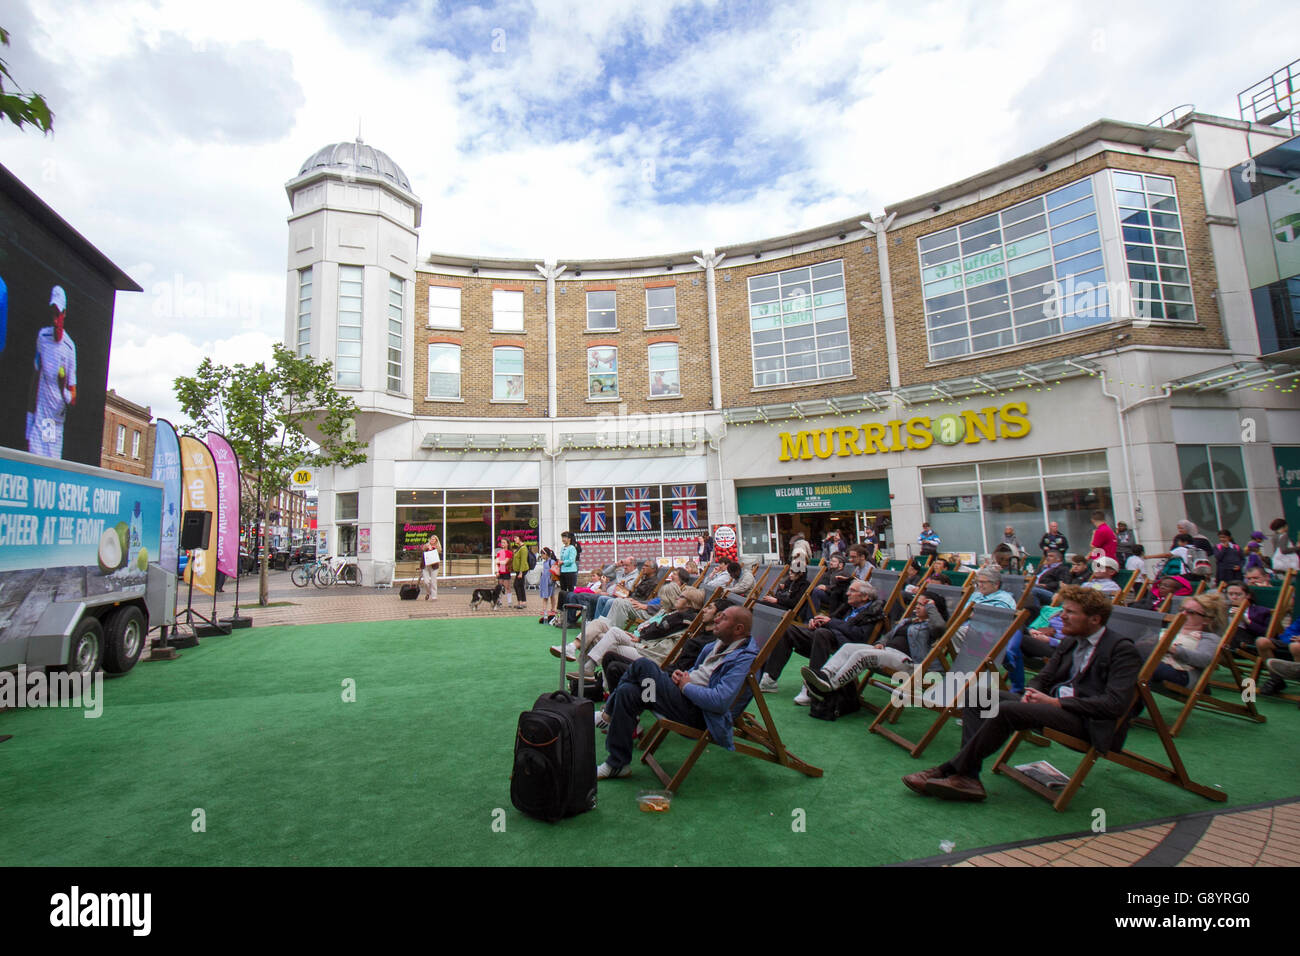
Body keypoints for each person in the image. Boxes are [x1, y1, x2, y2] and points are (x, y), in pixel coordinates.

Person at [901, 586, 1142, 802]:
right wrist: (1033, 691)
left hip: (1088, 721)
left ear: (1095, 619)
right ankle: (967, 776)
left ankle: (949, 770)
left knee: (1007, 709)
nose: (1061, 616)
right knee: (977, 695)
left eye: (1070, 612)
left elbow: (1115, 704)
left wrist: (1056, 703)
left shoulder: (1121, 650)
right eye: (1063, 610)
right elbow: (1044, 677)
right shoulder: (1072, 642)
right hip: (1052, 707)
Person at [594, 604, 757, 780]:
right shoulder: (719, 644)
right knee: (628, 692)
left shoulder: (743, 660)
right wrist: (683, 676)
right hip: (679, 699)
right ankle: (617, 764)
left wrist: (686, 686)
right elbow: (698, 670)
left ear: (739, 629)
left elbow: (720, 702)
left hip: (697, 715)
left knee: (643, 665)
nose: (716, 619)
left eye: (723, 617)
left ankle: (608, 715)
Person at [759, 579, 884, 704]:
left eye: (852, 591)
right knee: (789, 630)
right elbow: (833, 621)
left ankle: (811, 687)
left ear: (865, 596)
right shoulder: (849, 608)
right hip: (830, 637)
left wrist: (829, 623)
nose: (847, 594)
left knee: (822, 633)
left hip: (848, 645)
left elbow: (859, 636)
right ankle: (770, 678)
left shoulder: (872, 612)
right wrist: (819, 622)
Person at [27, 285, 77, 460]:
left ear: (64, 314)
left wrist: (63, 389)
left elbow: (73, 396)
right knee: (32, 466)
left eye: (59, 314)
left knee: (48, 473)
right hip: (39, 420)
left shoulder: (70, 348)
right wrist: (29, 419)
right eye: (53, 314)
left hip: (55, 424)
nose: (56, 320)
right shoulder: (42, 337)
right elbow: (35, 376)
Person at [1138, 592, 1225, 690]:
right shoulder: (1170, 630)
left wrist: (1173, 649)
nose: (1183, 614)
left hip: (1181, 673)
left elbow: (1204, 659)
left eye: (1190, 612)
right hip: (1157, 664)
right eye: (1181, 610)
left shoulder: (1208, 637)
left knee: (1141, 664)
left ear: (1207, 620)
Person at [1224, 582, 1270, 650]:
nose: (1234, 597)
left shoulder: (1261, 611)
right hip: (1224, 639)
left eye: (1238, 594)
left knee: (1234, 630)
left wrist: (1245, 620)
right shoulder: (1222, 609)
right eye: (1230, 594)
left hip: (1247, 642)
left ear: (1248, 595)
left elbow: (1266, 633)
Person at [537, 546, 558, 623]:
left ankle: (553, 608)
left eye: (542, 554)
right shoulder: (544, 562)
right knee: (545, 595)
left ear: (546, 554)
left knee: (551, 595)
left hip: (549, 580)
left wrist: (552, 579)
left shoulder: (551, 562)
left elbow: (554, 571)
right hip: (544, 580)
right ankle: (545, 609)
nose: (541, 556)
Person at [420, 532, 442, 601]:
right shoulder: (426, 546)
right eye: (431, 539)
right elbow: (423, 552)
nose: (432, 540)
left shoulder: (437, 548)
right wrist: (427, 548)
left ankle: (434, 596)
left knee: (433, 581)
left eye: (434, 539)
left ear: (436, 541)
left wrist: (432, 549)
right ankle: (428, 592)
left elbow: (437, 555)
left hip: (434, 566)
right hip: (426, 566)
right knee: (426, 582)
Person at [494, 537, 515, 606]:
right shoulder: (499, 552)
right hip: (500, 572)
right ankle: (499, 601)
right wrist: (497, 572)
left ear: (507, 544)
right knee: (499, 587)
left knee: (507, 586)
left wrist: (499, 561)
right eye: (501, 542)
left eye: (504, 543)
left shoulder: (509, 552)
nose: (502, 544)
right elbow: (496, 563)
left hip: (506, 572)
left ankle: (509, 601)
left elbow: (505, 562)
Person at [511, 537, 530, 610]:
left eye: (516, 538)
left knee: (516, 585)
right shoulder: (519, 547)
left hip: (522, 570)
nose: (514, 539)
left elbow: (523, 561)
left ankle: (520, 602)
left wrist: (521, 572)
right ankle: (523, 602)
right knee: (521, 585)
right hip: (518, 570)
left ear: (520, 538)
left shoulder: (523, 548)